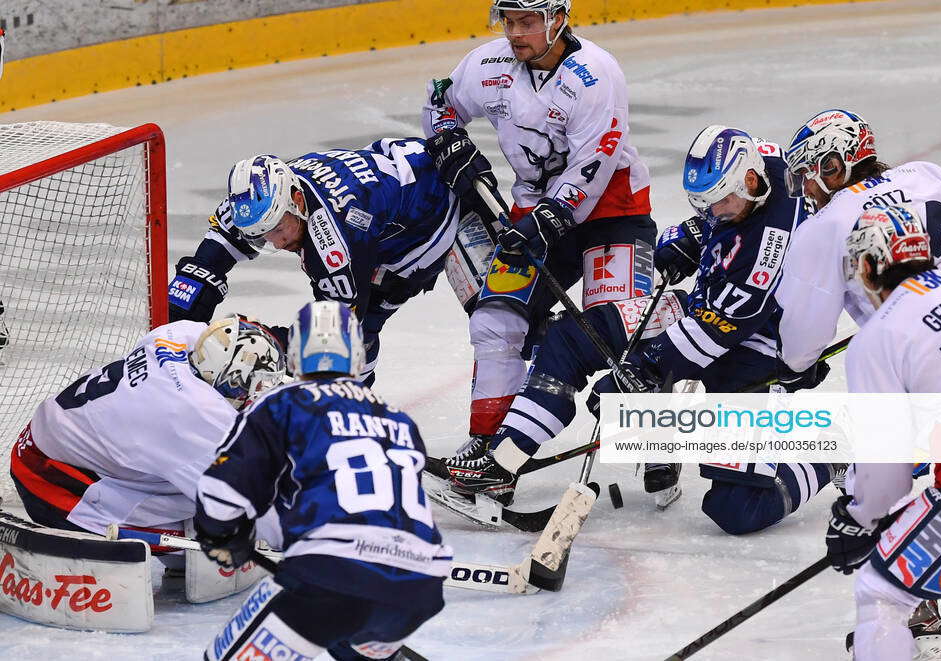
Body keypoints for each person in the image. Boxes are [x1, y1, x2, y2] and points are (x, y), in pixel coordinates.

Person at [445, 126, 839, 535]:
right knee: (571, 338)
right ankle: (502, 462)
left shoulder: (766, 253)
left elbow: (712, 334)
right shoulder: (763, 162)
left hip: (752, 347)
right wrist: (693, 235)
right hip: (702, 312)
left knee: (735, 508)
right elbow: (716, 227)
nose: (715, 209)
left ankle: (832, 451)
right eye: (709, 202)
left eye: (721, 202)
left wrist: (644, 372)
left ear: (750, 182)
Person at [422, 0, 656, 457]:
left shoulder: (595, 74)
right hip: (532, 214)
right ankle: (487, 442)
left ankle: (652, 450)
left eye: (526, 22)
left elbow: (596, 160)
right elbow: (439, 103)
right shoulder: (486, 65)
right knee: (495, 319)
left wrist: (550, 216)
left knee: (615, 330)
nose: (514, 32)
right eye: (508, 21)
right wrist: (449, 141)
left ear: (558, 20)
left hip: (613, 214)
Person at [196, 301, 450, 661]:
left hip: (332, 571)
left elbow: (223, 490)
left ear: (295, 354)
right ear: (357, 355)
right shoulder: (398, 419)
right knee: (350, 639)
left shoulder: (282, 403)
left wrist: (222, 535)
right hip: (420, 584)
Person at [826, 204, 941, 660]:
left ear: (867, 267)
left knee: (883, 593)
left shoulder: (878, 336)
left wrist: (859, 517)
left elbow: (887, 475)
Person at [166, 138, 462, 383]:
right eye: (262, 237)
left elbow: (329, 338)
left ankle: (356, 410)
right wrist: (171, 335)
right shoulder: (255, 201)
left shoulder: (335, 244)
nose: (277, 243)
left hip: (424, 223)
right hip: (392, 173)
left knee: (361, 330)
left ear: (296, 200)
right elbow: (201, 270)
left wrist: (252, 344)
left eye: (279, 230)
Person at [8, 314, 285, 539]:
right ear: (230, 380)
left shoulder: (177, 337)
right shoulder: (192, 415)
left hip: (45, 441)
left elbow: (218, 335)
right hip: (54, 485)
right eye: (254, 386)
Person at [776, 108, 941, 374]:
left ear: (832, 167)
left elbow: (802, 339)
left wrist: (794, 365)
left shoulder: (824, 226)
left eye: (805, 174)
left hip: (937, 351)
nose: (806, 189)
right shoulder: (923, 173)